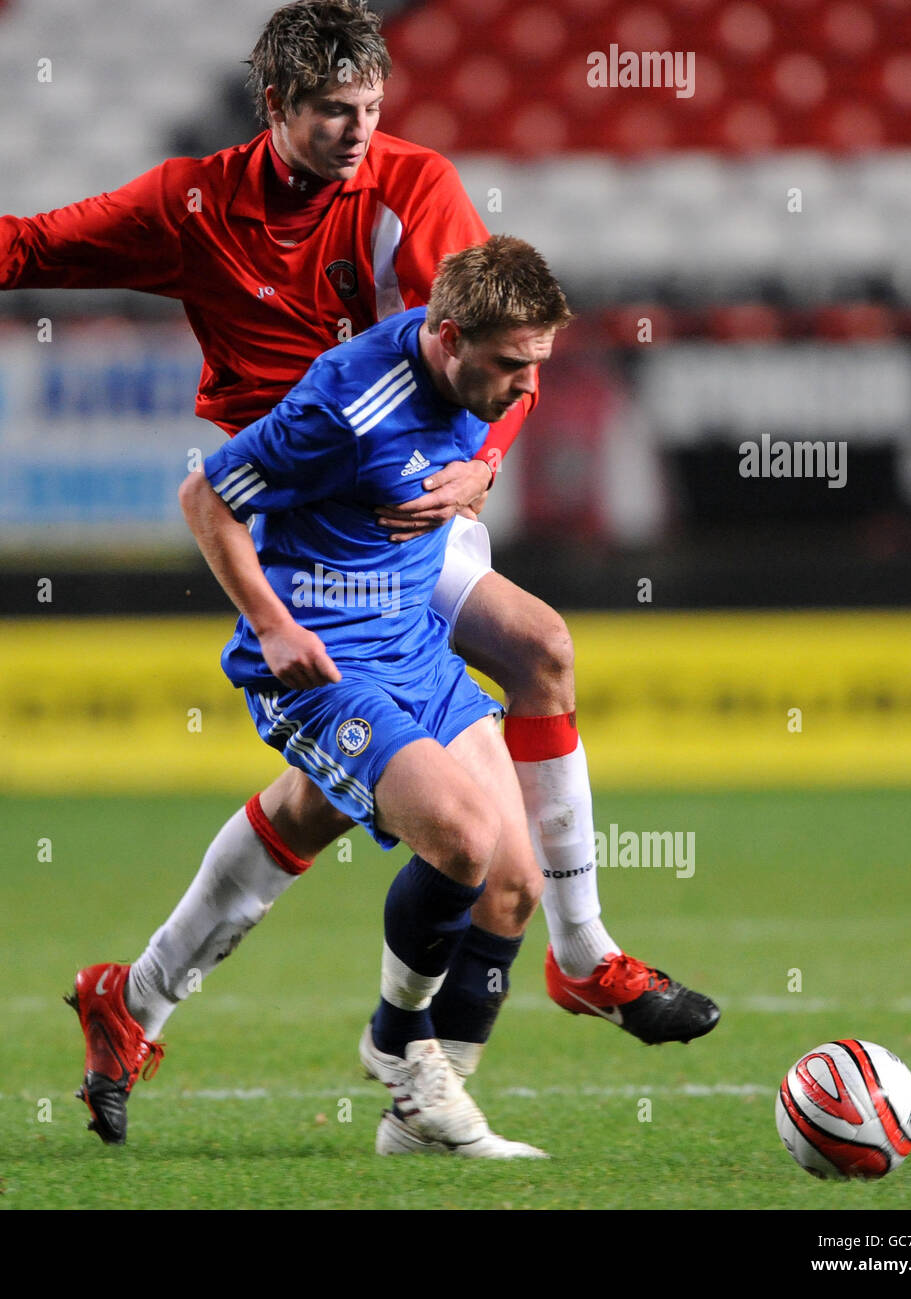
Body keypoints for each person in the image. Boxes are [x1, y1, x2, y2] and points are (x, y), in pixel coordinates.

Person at [0, 0, 718, 1151]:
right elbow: (35, 242)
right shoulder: (191, 206)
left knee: (377, 779)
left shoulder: (411, 186)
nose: (359, 132)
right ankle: (530, 983)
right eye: (332, 110)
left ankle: (160, 1001)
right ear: (272, 104)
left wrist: (482, 466)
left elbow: (491, 341)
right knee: (473, 733)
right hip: (298, 531)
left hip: (403, 515)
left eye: (370, 107)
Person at [181, 235, 568, 1155]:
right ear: (448, 338)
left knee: (516, 885)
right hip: (329, 665)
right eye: (512, 366)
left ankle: (421, 1123)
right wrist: (274, 626)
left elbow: (495, 414)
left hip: (415, 652)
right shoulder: (347, 404)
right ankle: (397, 1044)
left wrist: (484, 468)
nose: (527, 388)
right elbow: (207, 497)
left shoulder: (480, 376)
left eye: (539, 365)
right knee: (463, 839)